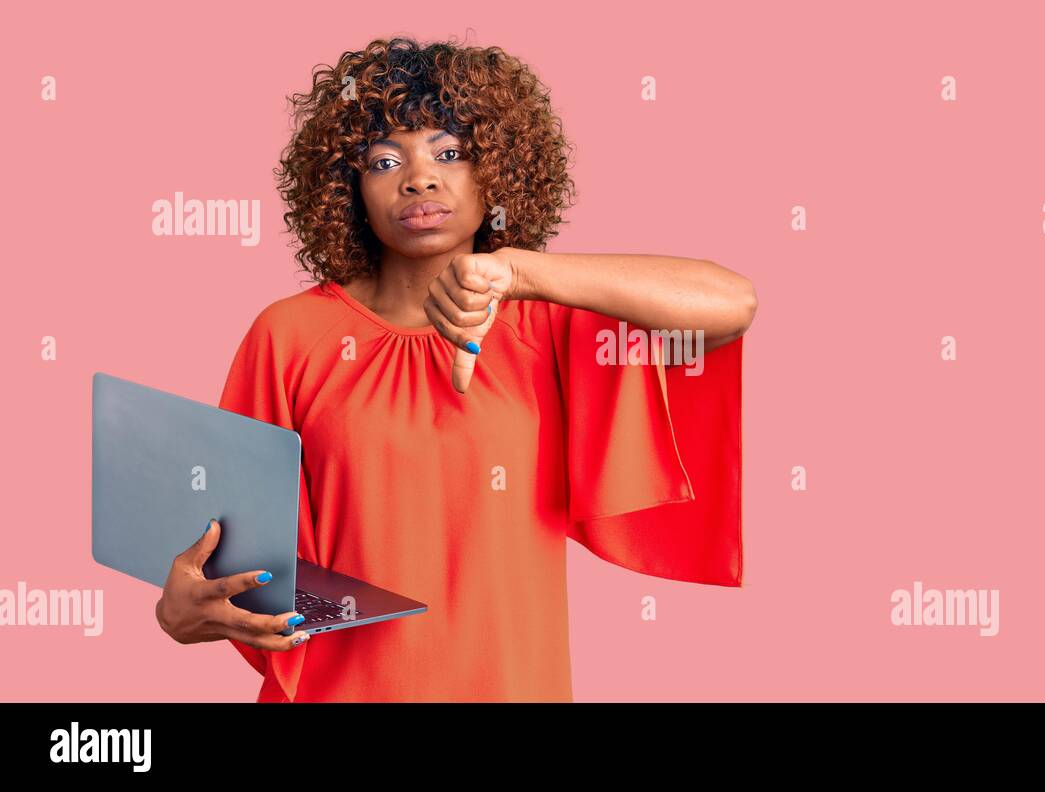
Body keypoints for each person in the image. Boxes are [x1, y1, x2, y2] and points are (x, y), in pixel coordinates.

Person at [154, 36, 756, 702]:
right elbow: (230, 555)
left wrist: (519, 270)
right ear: (348, 186)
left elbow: (732, 303)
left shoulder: (546, 323)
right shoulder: (289, 336)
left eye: (450, 153)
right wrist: (179, 609)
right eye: (385, 160)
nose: (419, 178)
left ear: (499, 170)